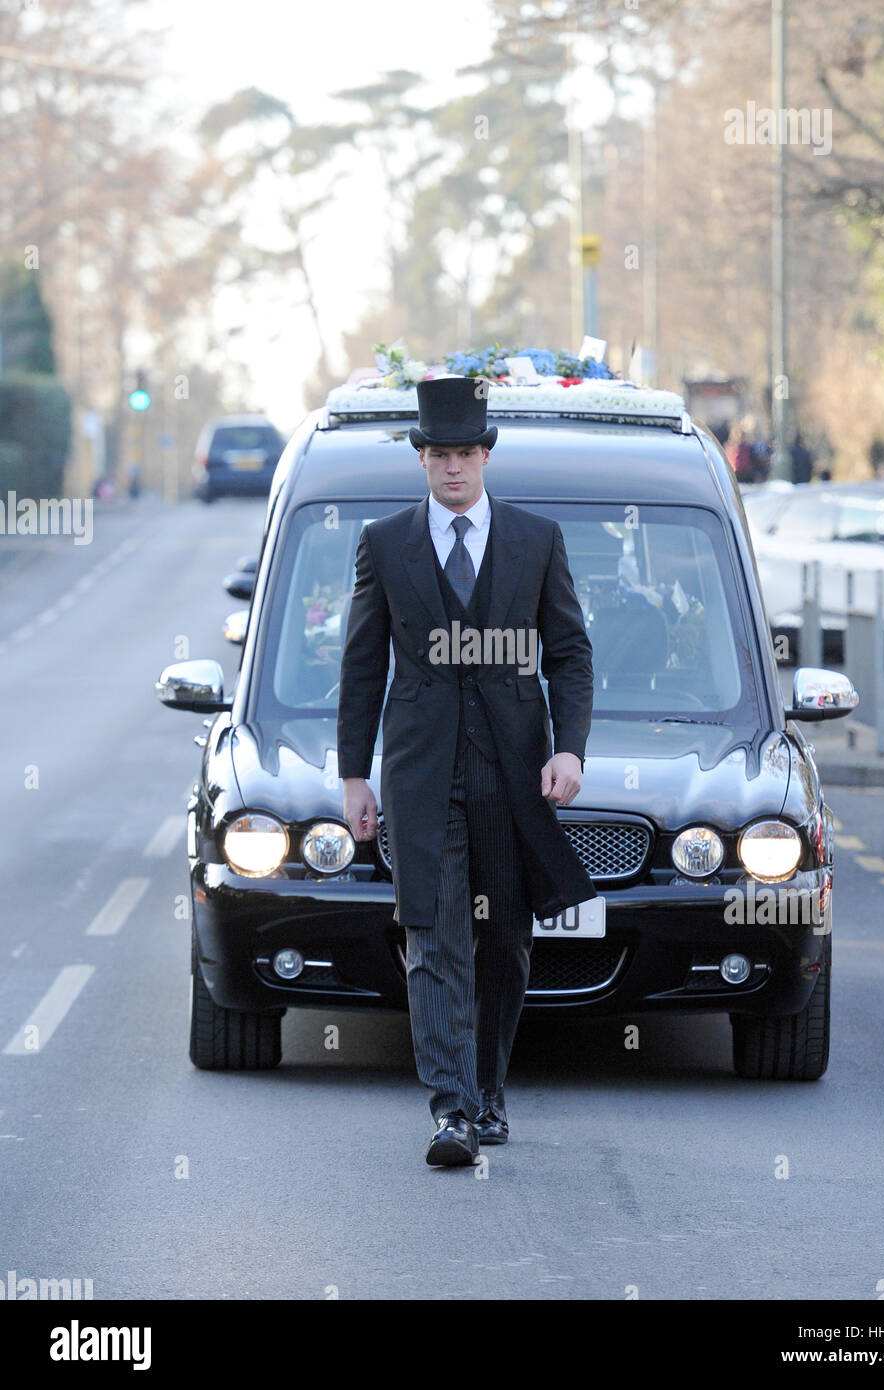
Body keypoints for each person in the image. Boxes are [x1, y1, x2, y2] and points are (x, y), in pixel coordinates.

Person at [337, 376, 597, 1167]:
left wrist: (570, 749)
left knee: (506, 943)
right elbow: (361, 665)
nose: (453, 467)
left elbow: (570, 653)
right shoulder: (384, 543)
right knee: (434, 936)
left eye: (466, 453)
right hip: (420, 777)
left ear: (486, 457)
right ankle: (450, 1111)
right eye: (439, 454)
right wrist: (355, 775)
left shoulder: (536, 539)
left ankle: (487, 1093)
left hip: (513, 773)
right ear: (421, 459)